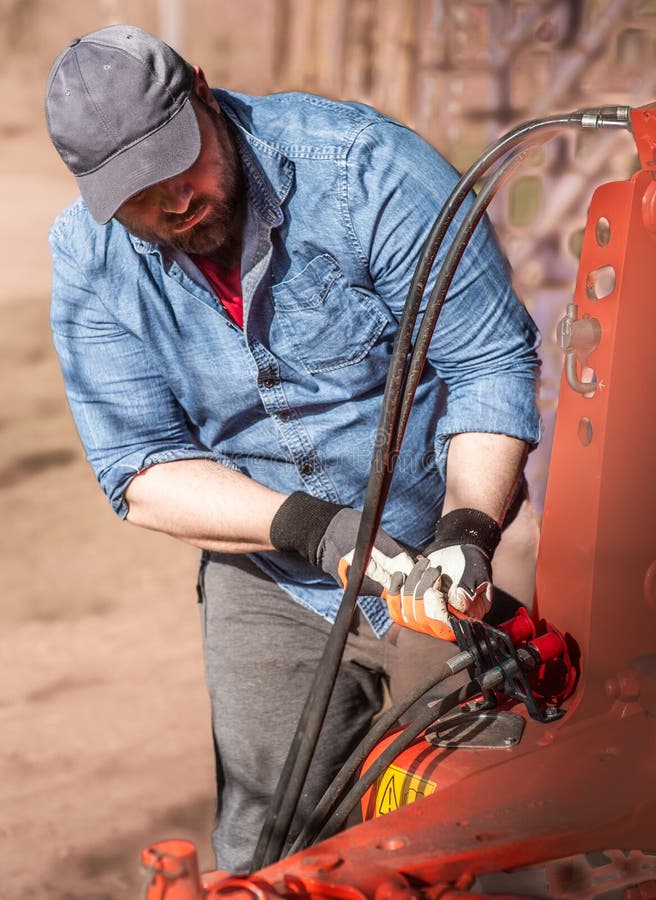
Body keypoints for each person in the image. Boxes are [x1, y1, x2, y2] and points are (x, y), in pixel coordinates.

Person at [45, 25, 541, 873]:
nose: (173, 203)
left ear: (203, 91)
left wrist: (467, 531)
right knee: (268, 854)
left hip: (440, 549)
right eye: (137, 195)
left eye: (181, 165)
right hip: (270, 564)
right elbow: (139, 469)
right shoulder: (88, 257)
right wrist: (312, 528)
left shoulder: (365, 170)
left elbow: (489, 359)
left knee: (483, 829)